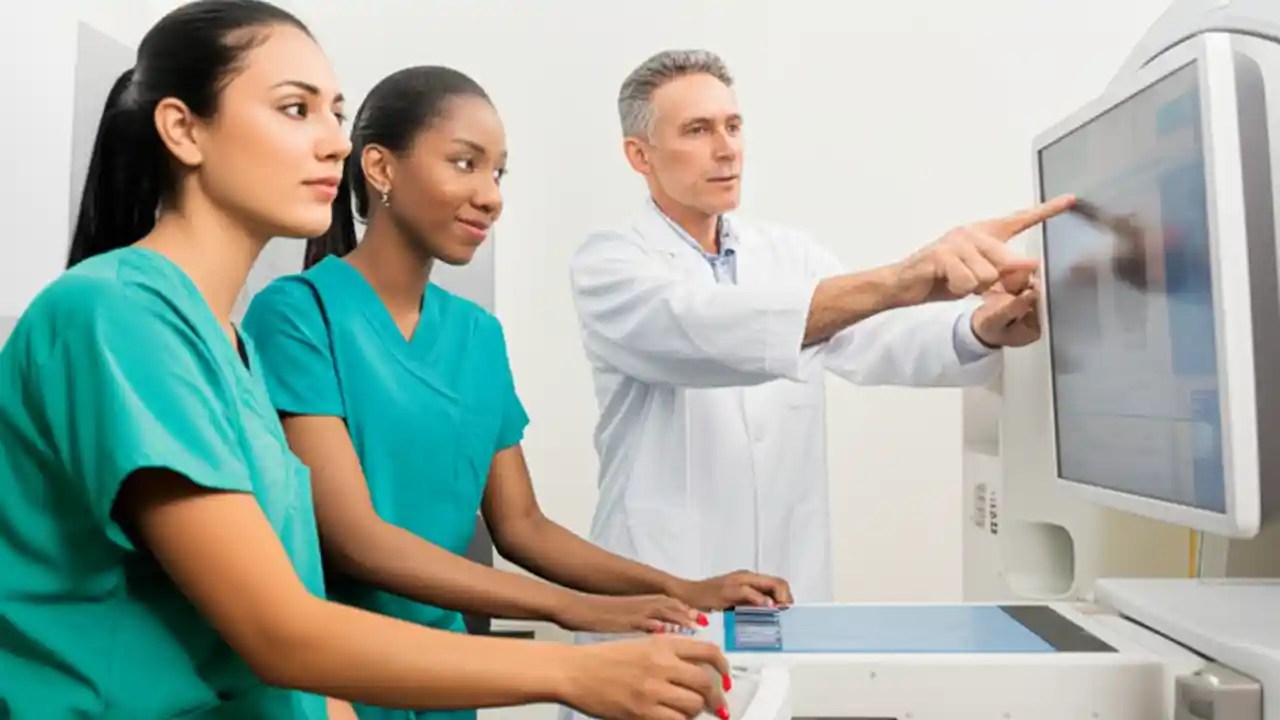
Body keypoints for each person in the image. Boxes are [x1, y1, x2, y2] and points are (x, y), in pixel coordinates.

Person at [0, 6, 732, 719]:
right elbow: (285, 629)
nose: (335, 144)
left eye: (336, 114)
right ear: (183, 129)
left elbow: (281, 630)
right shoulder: (118, 317)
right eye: (296, 109)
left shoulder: (229, 346)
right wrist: (574, 666)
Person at [240, 64, 784, 720]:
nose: (490, 195)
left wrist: (681, 587)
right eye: (465, 164)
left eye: (497, 174)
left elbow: (522, 525)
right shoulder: (297, 315)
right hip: (338, 675)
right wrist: (573, 609)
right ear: (380, 169)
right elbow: (356, 536)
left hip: (449, 678)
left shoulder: (477, 335)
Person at [568, 49, 1076, 604]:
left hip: (786, 576)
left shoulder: (789, 254)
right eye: (698, 130)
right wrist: (900, 278)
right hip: (660, 581)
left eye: (733, 126)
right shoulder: (611, 265)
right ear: (640, 155)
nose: (726, 148)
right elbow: (706, 329)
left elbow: (874, 338)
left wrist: (980, 328)